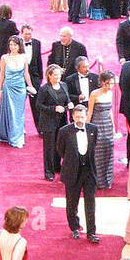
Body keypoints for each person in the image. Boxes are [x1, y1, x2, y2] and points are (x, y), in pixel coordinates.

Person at [57, 101, 99, 242]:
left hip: (89, 171)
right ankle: (75, 228)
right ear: (73, 117)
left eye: (82, 117)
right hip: (72, 171)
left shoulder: (94, 129)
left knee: (90, 203)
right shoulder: (64, 131)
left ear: (86, 116)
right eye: (77, 117)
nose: (80, 120)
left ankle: (91, 232)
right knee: (71, 203)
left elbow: (94, 148)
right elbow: (60, 150)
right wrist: (72, 161)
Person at [37, 63, 71, 181]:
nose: (57, 77)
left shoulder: (64, 85)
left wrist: (69, 104)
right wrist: (53, 109)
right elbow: (39, 105)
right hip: (49, 122)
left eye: (59, 75)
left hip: (61, 121)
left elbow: (67, 99)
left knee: (60, 145)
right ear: (49, 76)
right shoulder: (44, 89)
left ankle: (57, 166)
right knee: (49, 147)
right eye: (55, 75)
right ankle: (49, 171)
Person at [0, 35, 28, 148]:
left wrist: (30, 86)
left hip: (21, 89)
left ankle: (17, 135)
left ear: (19, 46)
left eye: (15, 45)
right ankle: (11, 136)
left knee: (19, 113)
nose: (13, 47)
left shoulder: (24, 57)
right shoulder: (4, 58)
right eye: (11, 45)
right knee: (10, 112)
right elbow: (2, 74)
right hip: (8, 88)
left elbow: (26, 73)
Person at [86, 71, 117, 189]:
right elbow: (90, 111)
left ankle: (107, 180)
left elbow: (110, 111)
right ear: (102, 82)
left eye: (112, 84)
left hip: (107, 126)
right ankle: (97, 180)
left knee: (108, 150)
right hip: (97, 124)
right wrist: (87, 127)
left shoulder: (110, 94)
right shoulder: (94, 94)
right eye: (107, 84)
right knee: (97, 153)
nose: (109, 86)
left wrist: (113, 126)